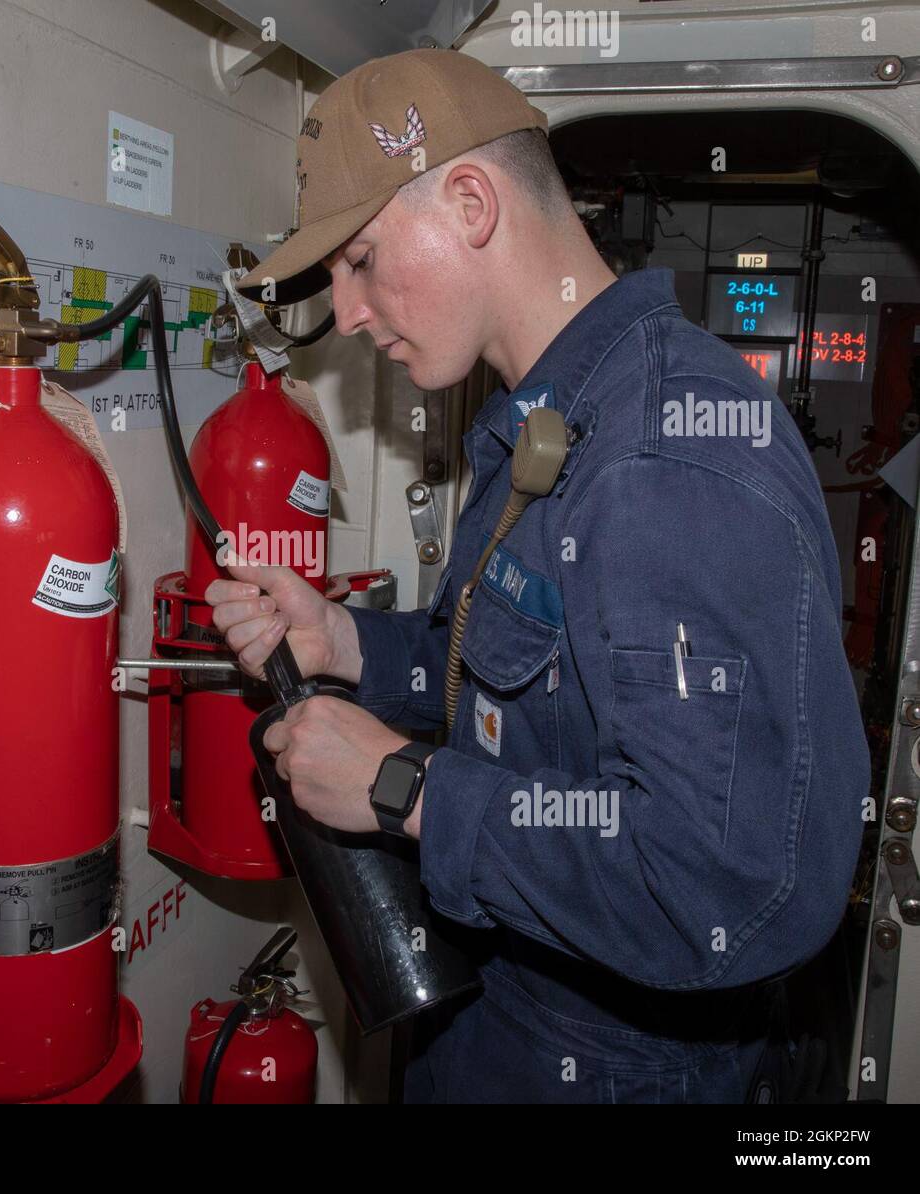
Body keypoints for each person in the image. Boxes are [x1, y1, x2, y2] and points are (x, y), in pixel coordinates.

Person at [209, 48, 870, 1103]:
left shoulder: (663, 461)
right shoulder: (547, 423)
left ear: (470, 202)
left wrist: (402, 789)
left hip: (620, 1064)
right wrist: (341, 642)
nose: (347, 310)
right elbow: (511, 681)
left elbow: (724, 888)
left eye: (363, 259)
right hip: (509, 1009)